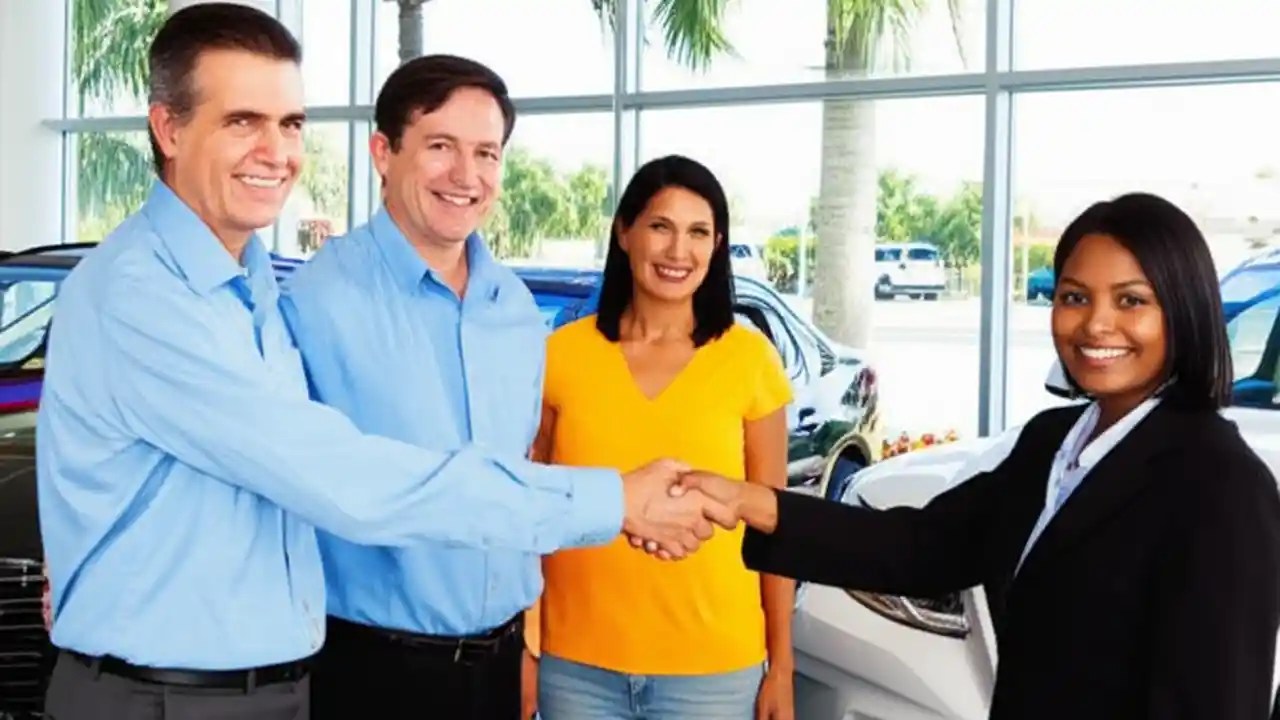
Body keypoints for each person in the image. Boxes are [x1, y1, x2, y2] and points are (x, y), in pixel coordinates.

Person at [36, 8, 725, 720]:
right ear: (169, 129)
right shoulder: (151, 296)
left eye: (291, 124)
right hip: (190, 690)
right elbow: (343, 476)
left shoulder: (256, 286)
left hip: (292, 681)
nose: (276, 151)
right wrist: (613, 501)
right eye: (243, 121)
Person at [681, 191, 1280, 719]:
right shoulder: (1055, 441)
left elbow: (1215, 703)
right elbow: (923, 546)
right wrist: (753, 502)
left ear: (1185, 310)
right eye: (1075, 297)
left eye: (1131, 301)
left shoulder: (1221, 485)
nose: (1096, 324)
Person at [278, 58, 733, 718]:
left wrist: (527, 647)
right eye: (441, 146)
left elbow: (517, 476)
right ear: (383, 152)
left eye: (486, 153)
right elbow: (350, 486)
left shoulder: (515, 309)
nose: (467, 176)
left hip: (499, 663)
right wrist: (618, 502)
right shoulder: (315, 301)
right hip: (369, 670)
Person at [528, 155, 796, 720]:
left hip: (714, 673)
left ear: (716, 245)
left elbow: (776, 526)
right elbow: (533, 516)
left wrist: (782, 667)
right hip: (575, 667)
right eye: (660, 226)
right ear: (624, 233)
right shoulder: (559, 357)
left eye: (698, 232)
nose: (678, 251)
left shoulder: (750, 361)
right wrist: (528, 649)